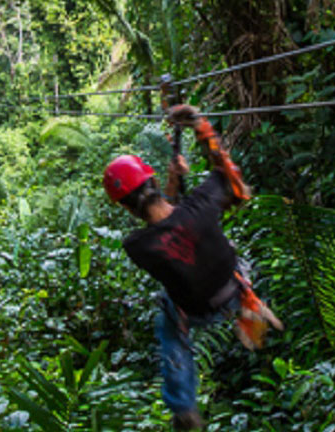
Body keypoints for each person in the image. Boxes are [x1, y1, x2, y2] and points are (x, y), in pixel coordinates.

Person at [101, 105, 282, 430]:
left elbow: (164, 227)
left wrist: (173, 184)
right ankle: (254, 308)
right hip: (233, 287)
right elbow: (230, 178)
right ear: (153, 181)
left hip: (197, 310)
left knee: (168, 317)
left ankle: (184, 406)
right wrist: (200, 125)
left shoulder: (137, 247)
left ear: (127, 208)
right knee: (234, 252)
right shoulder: (201, 205)